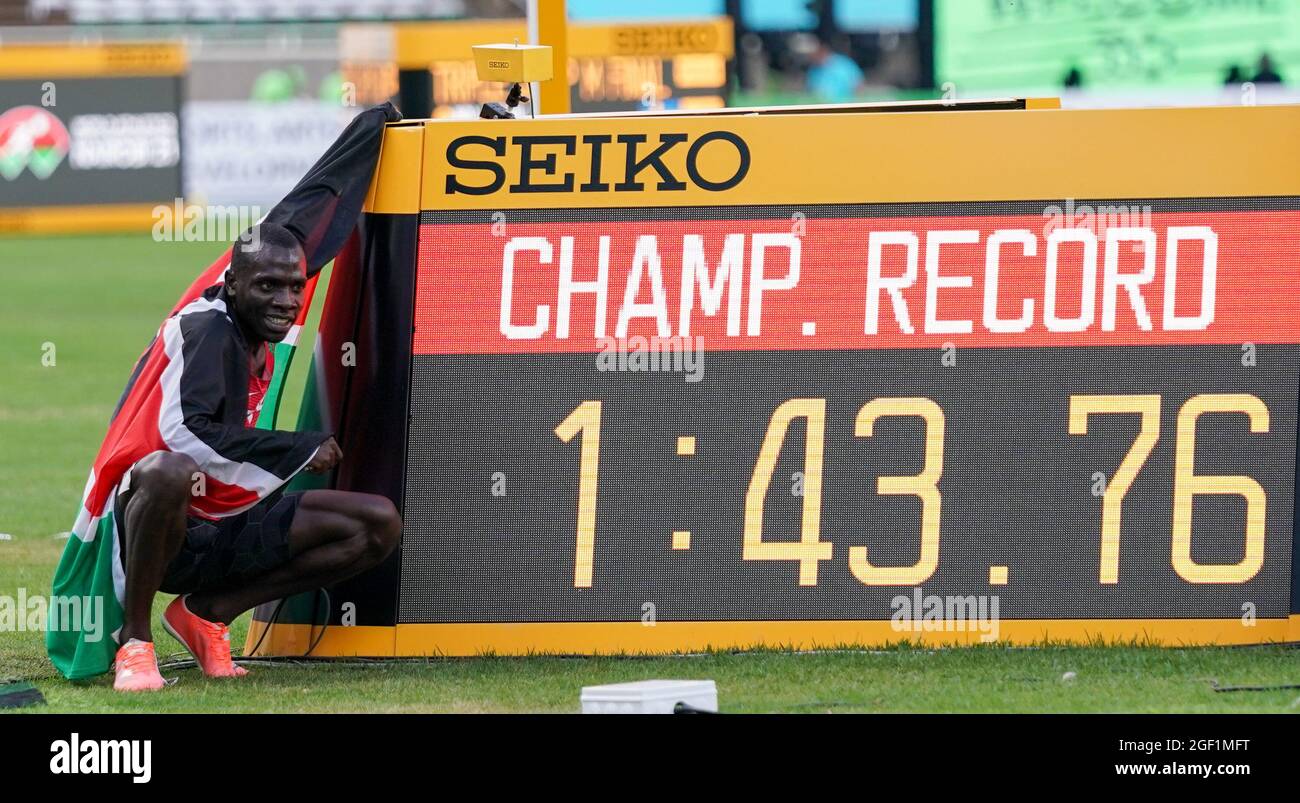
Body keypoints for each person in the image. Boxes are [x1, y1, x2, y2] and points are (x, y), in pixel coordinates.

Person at [110, 223, 401, 692]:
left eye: (295, 287)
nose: (287, 300)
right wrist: (298, 447)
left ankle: (207, 614)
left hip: (227, 515)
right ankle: (136, 643)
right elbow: (182, 435)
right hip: (168, 528)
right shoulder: (207, 329)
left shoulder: (256, 335)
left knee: (377, 524)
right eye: (268, 285)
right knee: (168, 471)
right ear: (233, 285)